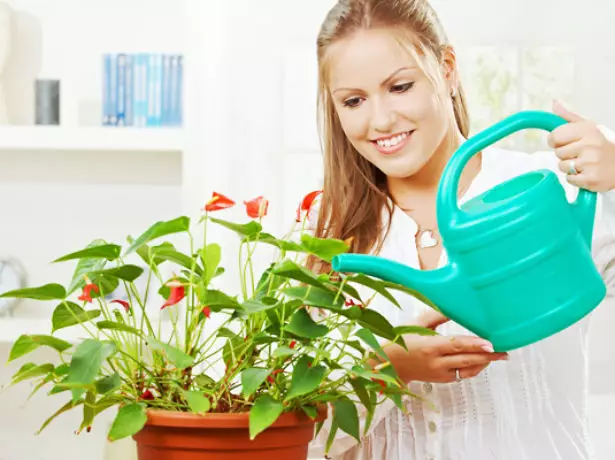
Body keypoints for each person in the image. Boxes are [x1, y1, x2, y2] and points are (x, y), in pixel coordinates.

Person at [307, 0, 615, 459]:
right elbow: (305, 436)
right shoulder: (331, 233)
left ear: (447, 69)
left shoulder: (547, 190)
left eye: (400, 86)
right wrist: (386, 365)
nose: (381, 120)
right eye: (354, 100)